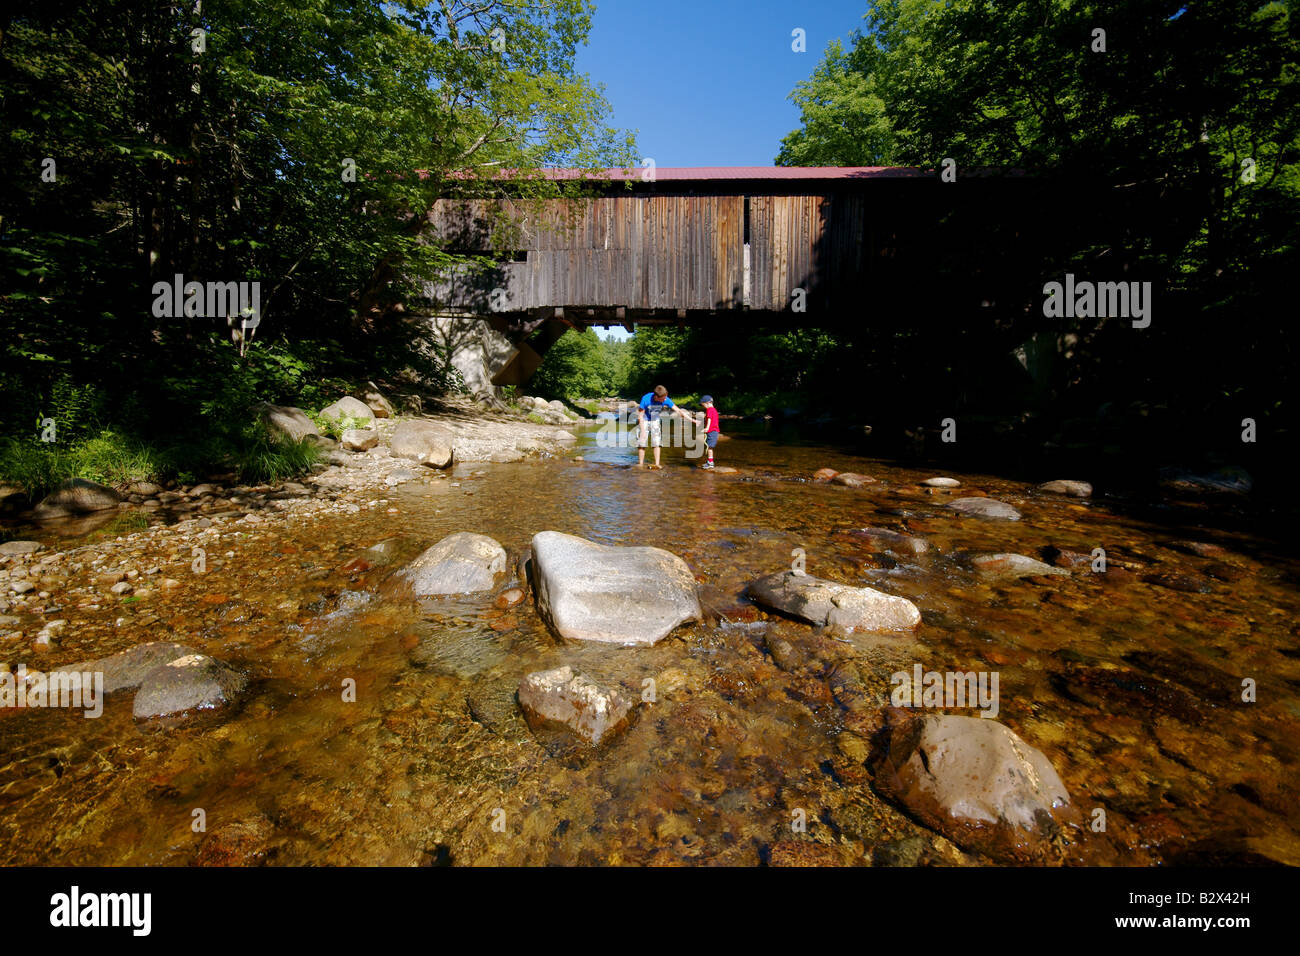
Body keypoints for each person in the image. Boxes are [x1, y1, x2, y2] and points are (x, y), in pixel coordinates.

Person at [636, 385, 695, 469]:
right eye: (663, 399)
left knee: (657, 441)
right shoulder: (646, 399)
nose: (665, 400)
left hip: (655, 418)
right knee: (641, 441)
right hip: (644, 418)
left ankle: (657, 464)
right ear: (656, 397)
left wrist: (691, 419)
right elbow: (640, 416)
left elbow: (678, 410)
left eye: (665, 398)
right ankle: (641, 464)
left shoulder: (666, 398)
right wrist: (642, 431)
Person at [699, 395, 721, 469]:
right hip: (714, 431)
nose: (703, 407)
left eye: (703, 405)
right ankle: (710, 462)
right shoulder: (714, 410)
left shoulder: (709, 410)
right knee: (710, 447)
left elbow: (709, 419)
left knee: (709, 447)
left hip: (712, 431)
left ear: (708, 403)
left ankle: (710, 463)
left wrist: (707, 428)